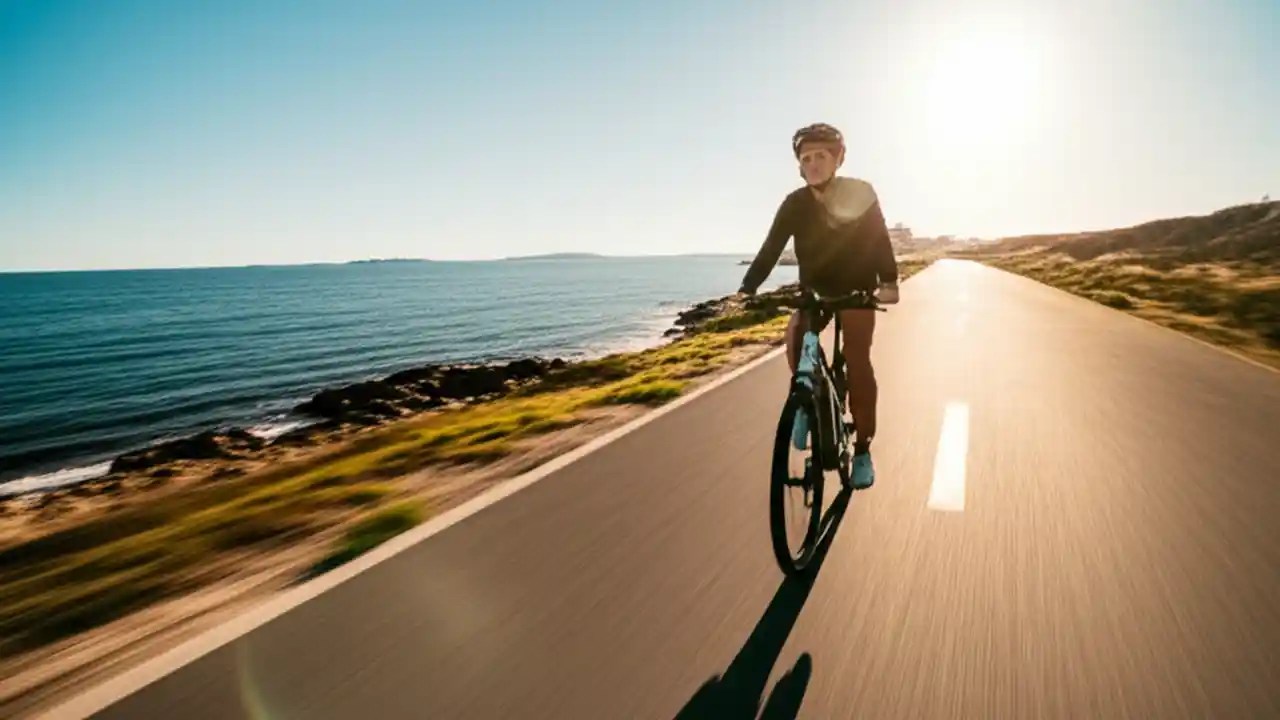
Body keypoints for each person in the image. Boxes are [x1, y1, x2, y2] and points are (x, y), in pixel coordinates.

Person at [736, 122, 899, 489]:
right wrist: (747, 289)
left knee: (857, 360)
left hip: (857, 290)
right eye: (806, 158)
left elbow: (880, 238)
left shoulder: (860, 192)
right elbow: (771, 249)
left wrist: (889, 282)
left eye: (820, 156)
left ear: (838, 158)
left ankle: (862, 450)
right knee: (795, 337)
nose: (812, 164)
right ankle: (807, 401)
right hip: (815, 290)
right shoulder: (794, 203)